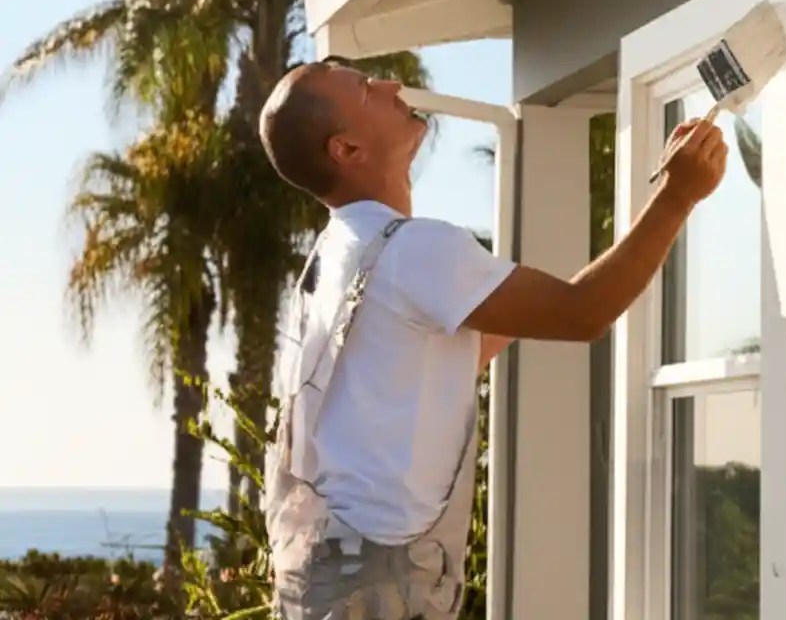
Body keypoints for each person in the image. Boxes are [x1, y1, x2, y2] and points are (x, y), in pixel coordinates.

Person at [256, 57, 726, 619]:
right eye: (365, 89)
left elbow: (436, 368)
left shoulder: (333, 255)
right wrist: (679, 196)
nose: (388, 84)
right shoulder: (415, 249)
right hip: (383, 585)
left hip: (329, 573)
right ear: (347, 149)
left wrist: (574, 279)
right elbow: (584, 315)